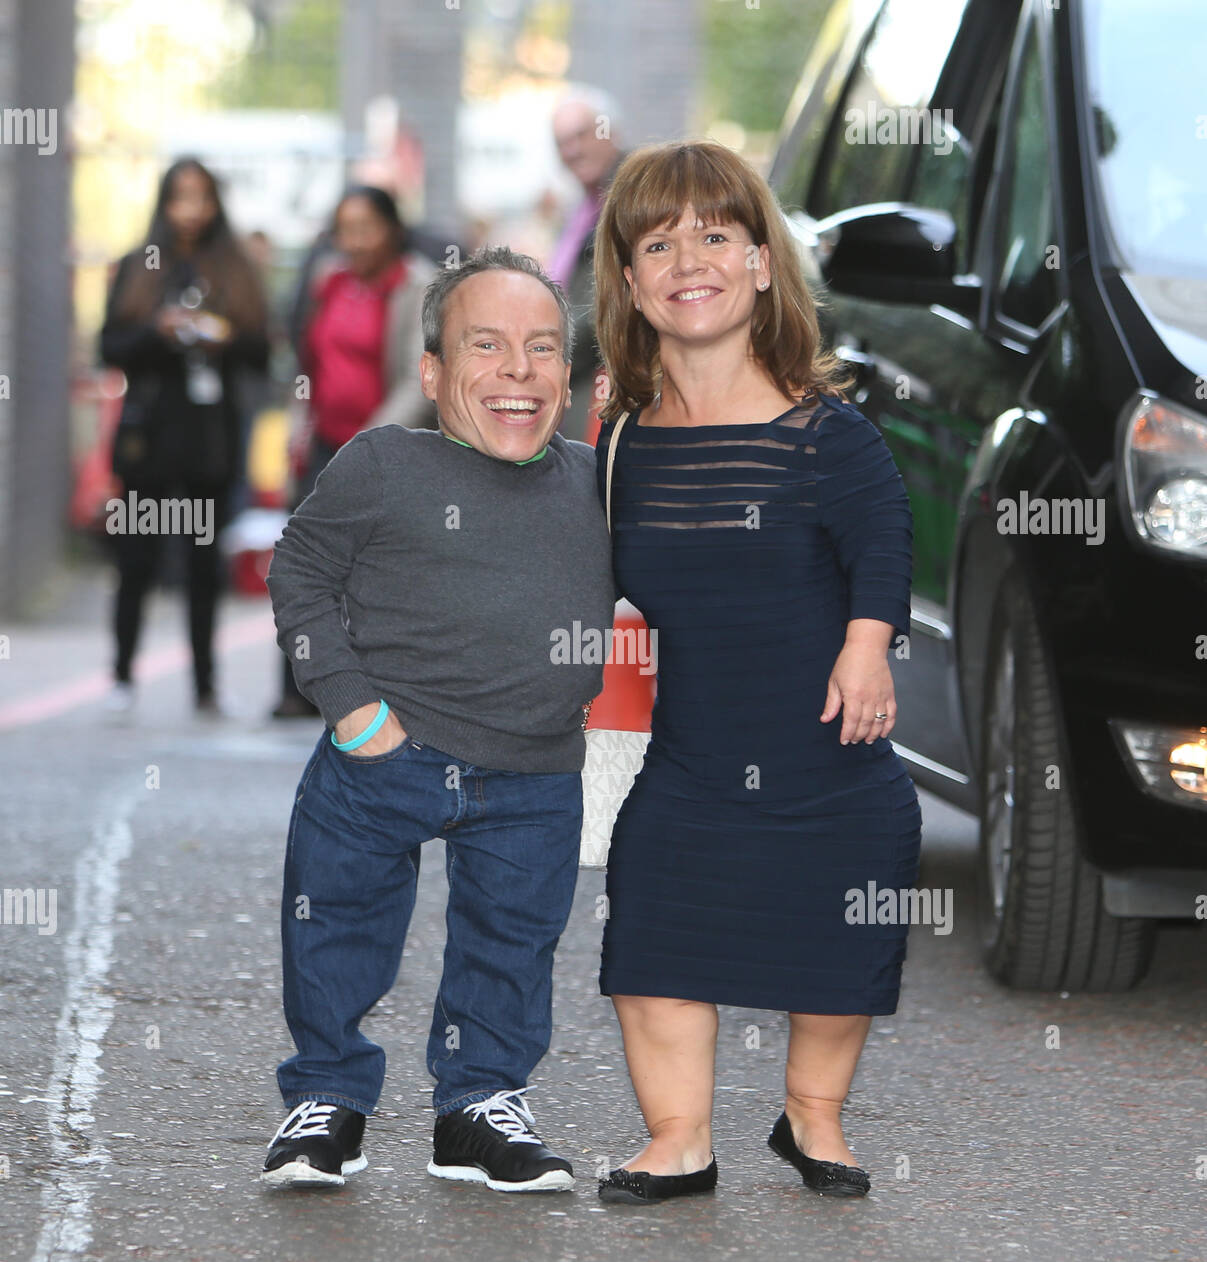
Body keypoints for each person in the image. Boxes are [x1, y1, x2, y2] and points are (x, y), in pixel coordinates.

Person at [590, 141, 923, 1204]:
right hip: (689, 761)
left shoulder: (828, 434)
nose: (689, 257)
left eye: (716, 233)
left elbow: (884, 540)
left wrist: (867, 643)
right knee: (649, 937)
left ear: (763, 264)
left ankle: (811, 1118)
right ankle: (678, 1140)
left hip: (831, 756)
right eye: (658, 241)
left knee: (836, 948)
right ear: (632, 284)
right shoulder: (620, 442)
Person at [261, 245, 615, 1193]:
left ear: (570, 376)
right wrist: (347, 703)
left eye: (543, 349)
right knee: (335, 923)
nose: (517, 371)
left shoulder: (600, 483)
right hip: (381, 756)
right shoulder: (382, 464)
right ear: (430, 372)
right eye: (486, 345)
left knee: (512, 944)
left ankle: (476, 1108)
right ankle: (327, 1097)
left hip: (535, 772)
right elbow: (296, 572)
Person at [99, 157, 268, 713]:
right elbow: (110, 348)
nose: (190, 210)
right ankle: (122, 677)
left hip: (207, 441)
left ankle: (205, 684)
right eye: (179, 197)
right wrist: (158, 330)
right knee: (137, 562)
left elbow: (261, 351)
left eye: (201, 197)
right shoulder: (139, 265)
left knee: (203, 564)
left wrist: (220, 338)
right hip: (148, 438)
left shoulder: (233, 266)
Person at [271, 185, 441, 718]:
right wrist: (299, 426)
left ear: (393, 229)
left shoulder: (418, 285)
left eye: (367, 227)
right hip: (323, 445)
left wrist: (370, 443)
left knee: (376, 569)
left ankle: (379, 689)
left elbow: (419, 379)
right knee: (306, 564)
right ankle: (298, 686)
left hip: (385, 450)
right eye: (346, 229)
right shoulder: (328, 281)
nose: (356, 241)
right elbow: (307, 364)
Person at [547, 88, 625, 441]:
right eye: (561, 142)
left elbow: (612, 300)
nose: (572, 150)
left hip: (608, 378)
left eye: (581, 134)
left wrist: (546, 350)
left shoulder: (631, 192)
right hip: (579, 377)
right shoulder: (580, 207)